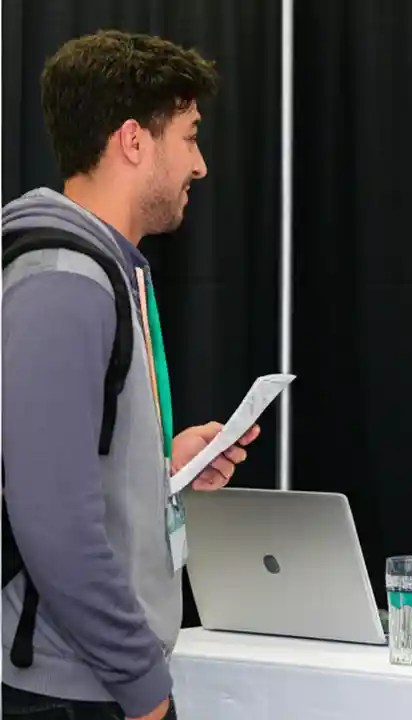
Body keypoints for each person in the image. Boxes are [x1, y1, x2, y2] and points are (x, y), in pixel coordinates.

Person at [1, 31, 261, 720]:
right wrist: (143, 689)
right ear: (133, 141)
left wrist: (160, 466)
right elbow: (53, 521)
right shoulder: (65, 282)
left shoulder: (103, 269)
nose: (200, 165)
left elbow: (73, 466)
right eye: (190, 137)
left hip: (86, 683)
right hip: (68, 692)